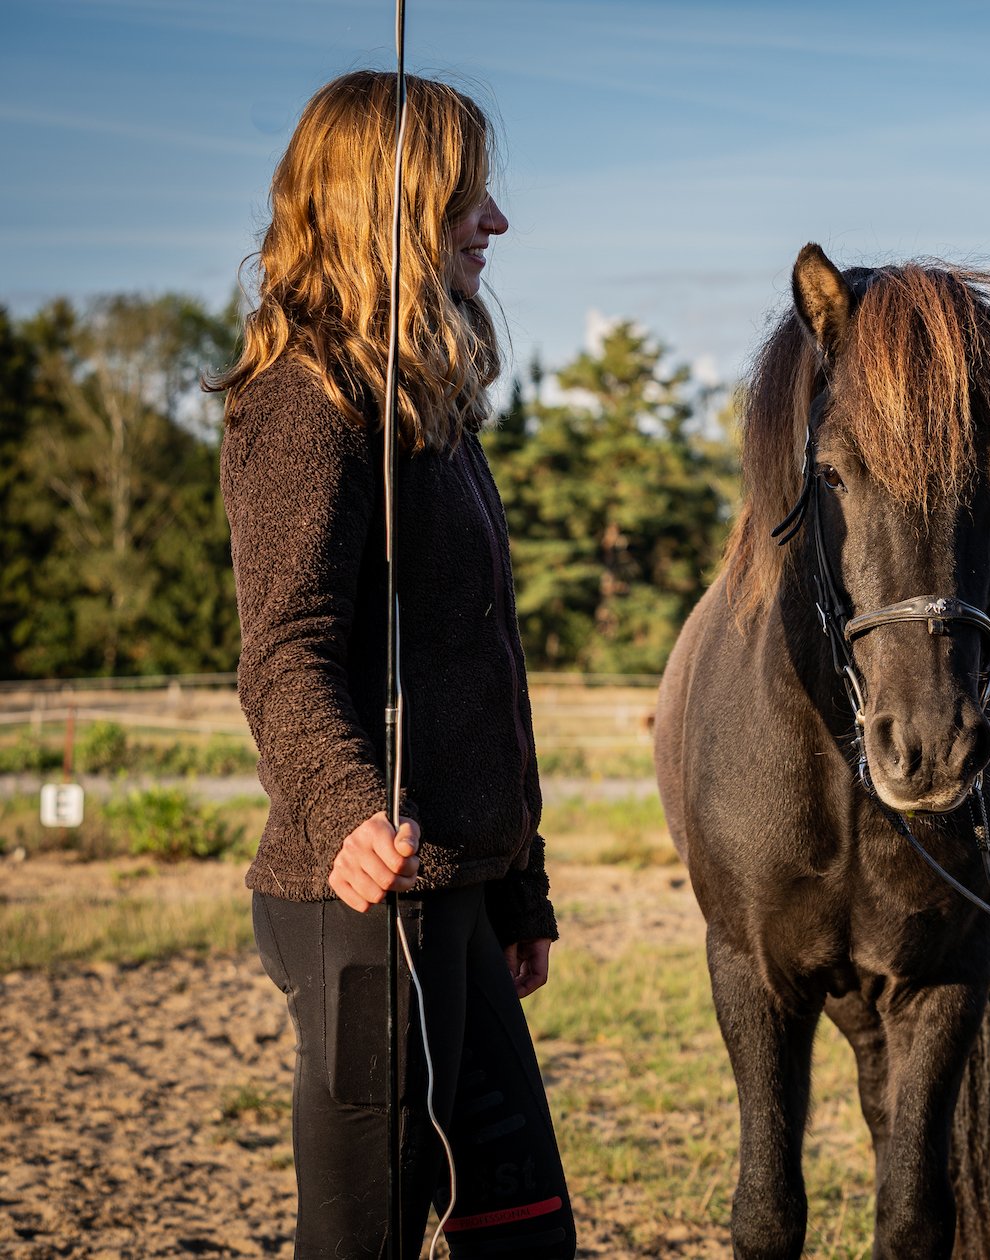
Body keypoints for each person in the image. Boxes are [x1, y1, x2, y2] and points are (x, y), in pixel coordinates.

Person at [212, 71, 575, 1258]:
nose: (496, 223)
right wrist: (347, 812)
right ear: (393, 206)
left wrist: (513, 885)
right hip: (366, 899)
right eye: (468, 196)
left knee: (522, 1235)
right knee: (361, 1244)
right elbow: (285, 645)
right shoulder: (307, 401)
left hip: (455, 896)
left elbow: (482, 663)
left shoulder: (427, 406)